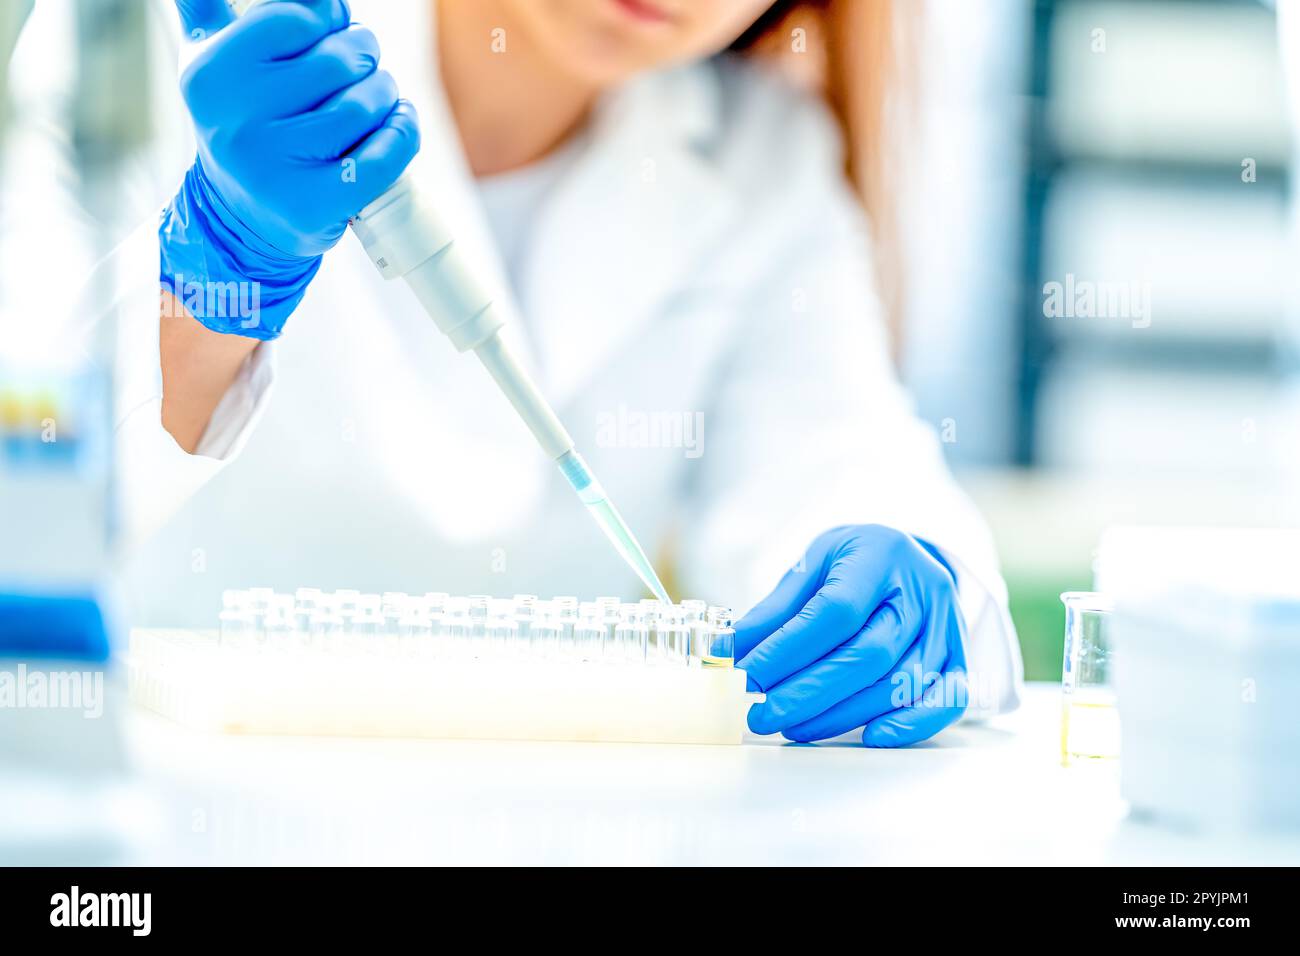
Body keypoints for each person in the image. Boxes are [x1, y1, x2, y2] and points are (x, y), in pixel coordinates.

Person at [118, 0, 1022, 745]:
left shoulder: (763, 157)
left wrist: (922, 584)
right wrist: (212, 282)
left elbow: (837, 468)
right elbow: (44, 463)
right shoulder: (211, 53)